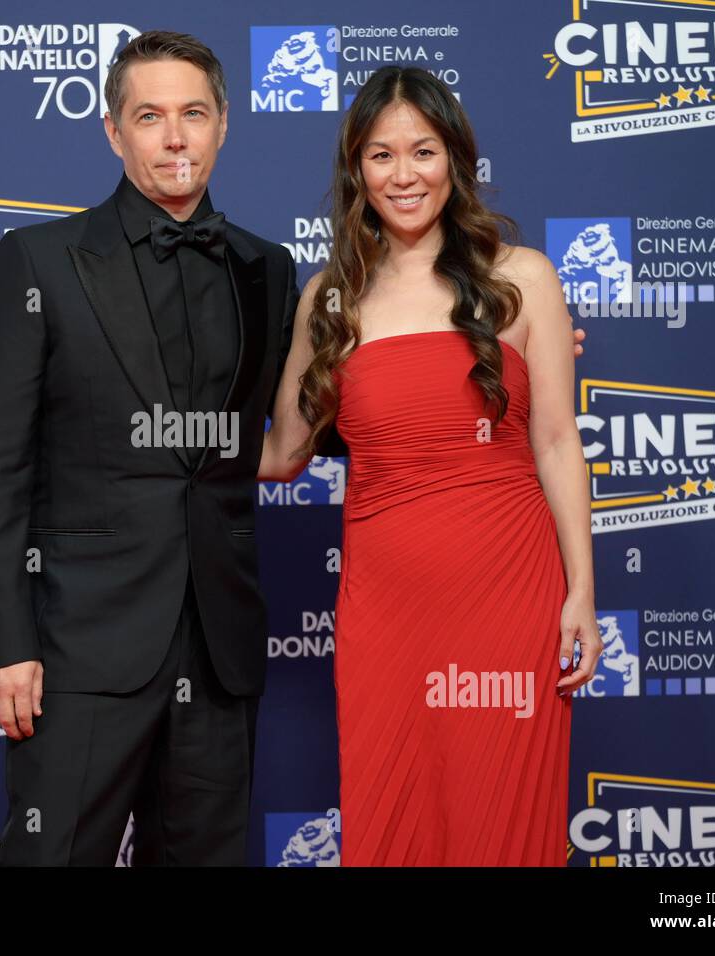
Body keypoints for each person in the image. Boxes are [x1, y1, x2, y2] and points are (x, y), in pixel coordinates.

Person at [0, 30, 299, 866]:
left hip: (217, 648)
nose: (174, 137)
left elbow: (327, 417)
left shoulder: (268, 267)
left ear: (223, 126)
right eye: (150, 116)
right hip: (78, 648)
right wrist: (4, 642)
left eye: (193, 114)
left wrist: (502, 349)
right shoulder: (37, 261)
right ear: (114, 131)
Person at [259, 66, 603, 865]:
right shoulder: (330, 299)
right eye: (381, 156)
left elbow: (556, 442)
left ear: (455, 159)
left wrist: (582, 589)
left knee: (499, 816)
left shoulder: (524, 279)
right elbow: (281, 454)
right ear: (356, 169)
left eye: (423, 151)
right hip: (385, 610)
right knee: (393, 811)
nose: (404, 174)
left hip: (509, 599)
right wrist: (139, 428)